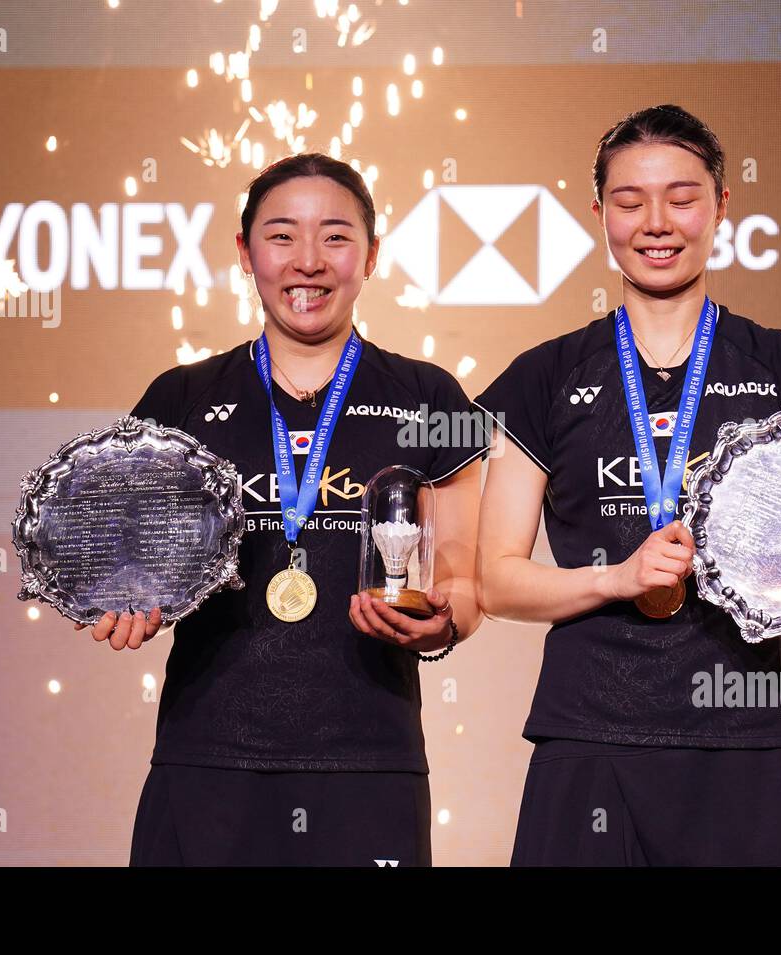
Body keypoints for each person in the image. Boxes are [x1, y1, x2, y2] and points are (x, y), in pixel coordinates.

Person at [473, 105, 781, 866]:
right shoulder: (545, 377)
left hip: (746, 729)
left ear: (723, 206)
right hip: (591, 732)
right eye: (629, 201)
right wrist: (618, 578)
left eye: (683, 197)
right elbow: (495, 581)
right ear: (598, 214)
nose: (656, 222)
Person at [75, 153, 489, 866]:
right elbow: (127, 549)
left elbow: (466, 586)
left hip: (369, 761)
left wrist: (435, 624)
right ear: (245, 253)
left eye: (334, 236)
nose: (308, 263)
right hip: (207, 757)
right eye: (281, 237)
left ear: (371, 255)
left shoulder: (430, 397)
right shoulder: (180, 400)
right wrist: (128, 593)